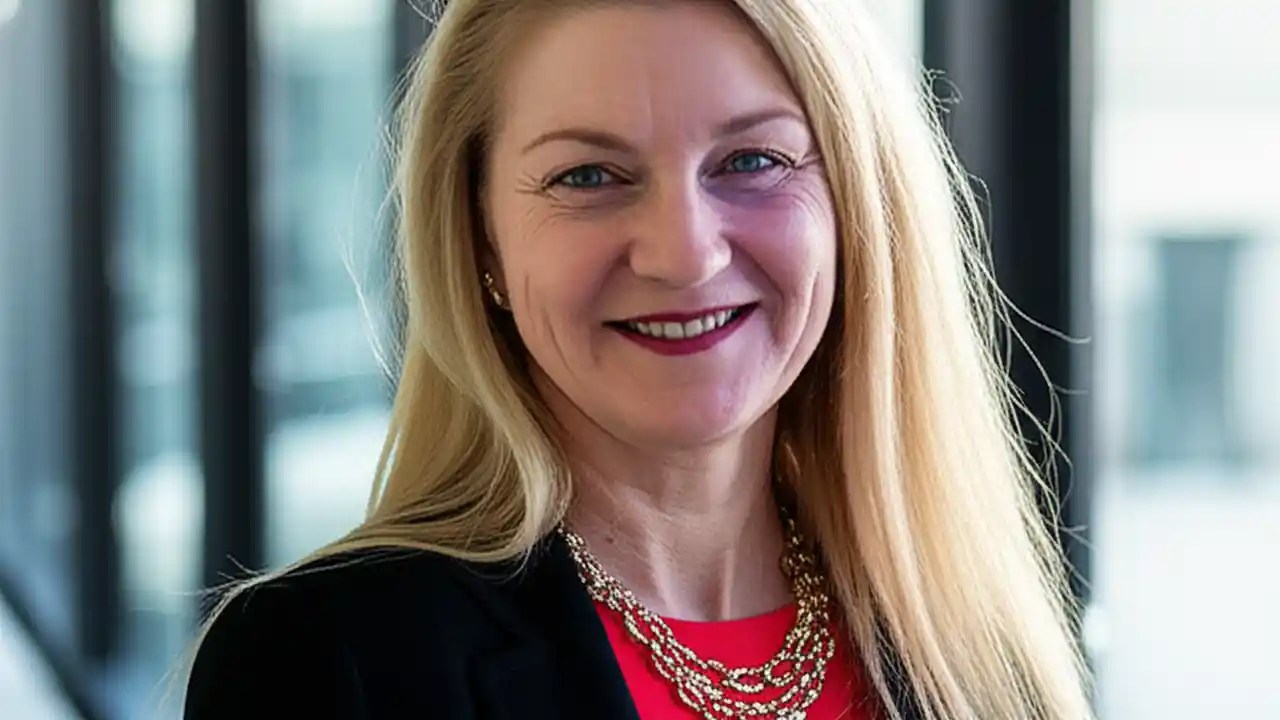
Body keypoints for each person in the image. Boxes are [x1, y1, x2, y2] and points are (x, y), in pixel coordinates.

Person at [183, 0, 1095, 718]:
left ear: (855, 205)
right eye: (588, 176)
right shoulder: (328, 661)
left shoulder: (976, 650)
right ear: (482, 244)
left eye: (752, 160)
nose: (685, 253)